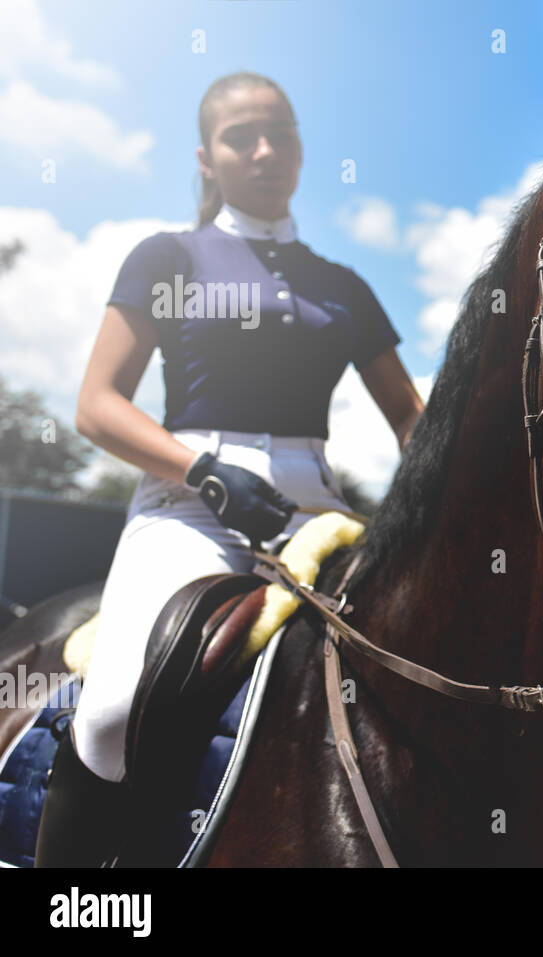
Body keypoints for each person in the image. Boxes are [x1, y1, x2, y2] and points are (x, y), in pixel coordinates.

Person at [34, 72, 424, 867]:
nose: (264, 149)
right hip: (189, 503)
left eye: (280, 132)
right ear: (207, 158)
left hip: (318, 506)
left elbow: (412, 423)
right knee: (110, 709)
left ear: (301, 148)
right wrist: (205, 471)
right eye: (241, 136)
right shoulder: (166, 255)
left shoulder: (345, 284)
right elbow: (97, 404)